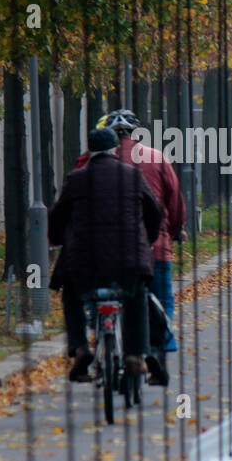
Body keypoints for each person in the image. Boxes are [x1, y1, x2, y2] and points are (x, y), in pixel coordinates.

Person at [73, 109, 184, 385]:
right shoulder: (157, 158)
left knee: (91, 297)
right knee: (160, 300)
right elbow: (173, 202)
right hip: (151, 247)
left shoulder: (87, 163)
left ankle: (94, 338)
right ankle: (157, 350)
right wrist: (172, 231)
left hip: (95, 253)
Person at [50, 127, 163, 383]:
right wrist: (149, 238)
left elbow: (57, 216)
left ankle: (79, 348)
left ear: (89, 151)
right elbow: (154, 211)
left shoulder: (76, 179)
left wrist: (57, 239)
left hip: (84, 264)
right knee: (137, 298)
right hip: (129, 262)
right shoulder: (133, 176)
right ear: (114, 150)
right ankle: (135, 354)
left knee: (72, 296)